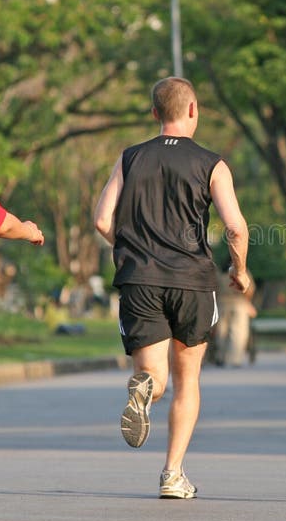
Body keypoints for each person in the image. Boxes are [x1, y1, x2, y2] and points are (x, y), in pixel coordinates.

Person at [94, 76, 249, 499]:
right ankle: (172, 473)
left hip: (140, 280)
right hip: (192, 282)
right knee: (188, 379)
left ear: (154, 113)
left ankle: (144, 391)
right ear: (193, 110)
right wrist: (240, 270)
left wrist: (131, 248)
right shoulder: (212, 164)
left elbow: (103, 219)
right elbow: (235, 227)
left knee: (153, 376)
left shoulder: (130, 158)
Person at [214, 259, 257, 367]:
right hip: (239, 304)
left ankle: (221, 356)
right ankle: (235, 359)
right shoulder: (242, 271)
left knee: (221, 332)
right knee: (238, 333)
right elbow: (250, 289)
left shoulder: (220, 273)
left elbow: (215, 289)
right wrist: (248, 303)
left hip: (222, 304)